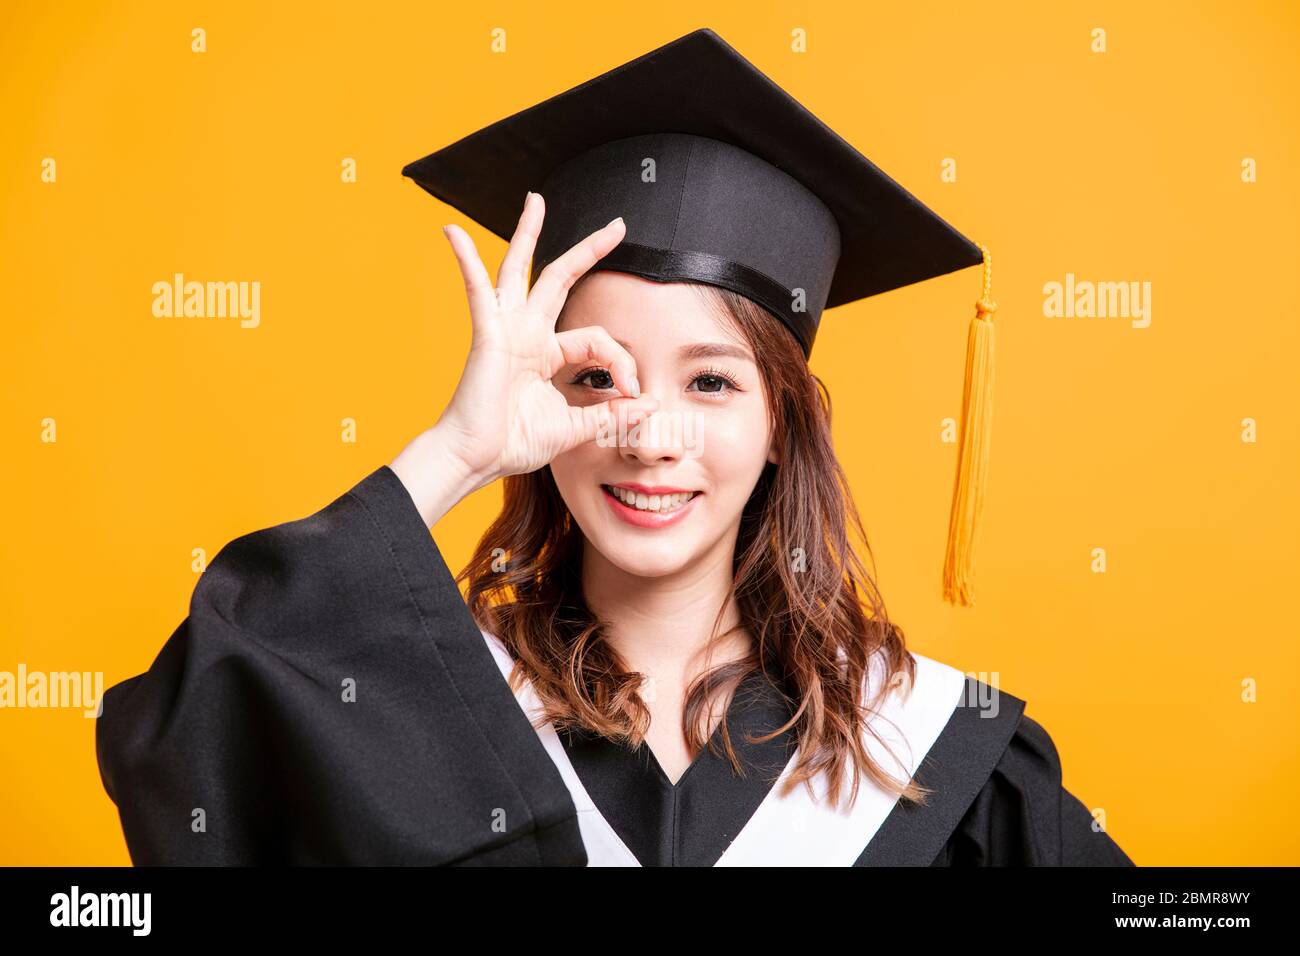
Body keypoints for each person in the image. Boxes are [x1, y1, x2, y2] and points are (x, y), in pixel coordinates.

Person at [95, 29, 1134, 867]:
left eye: (711, 381)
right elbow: (181, 734)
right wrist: (455, 451)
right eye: (596, 377)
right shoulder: (425, 708)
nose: (647, 432)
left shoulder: (920, 748)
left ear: (783, 421)